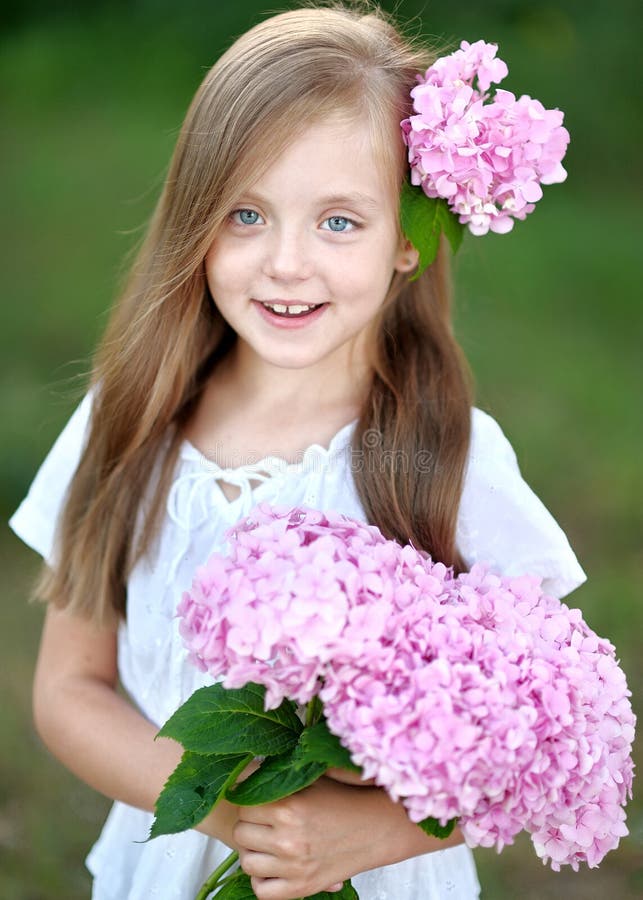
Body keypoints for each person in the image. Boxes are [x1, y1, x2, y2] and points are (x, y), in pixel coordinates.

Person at [9, 3, 587, 899]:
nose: (285, 262)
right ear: (193, 219)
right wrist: (232, 815)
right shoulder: (126, 422)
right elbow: (68, 689)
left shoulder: (445, 454)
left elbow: (537, 730)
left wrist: (367, 834)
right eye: (246, 213)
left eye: (338, 222)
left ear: (407, 241)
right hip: (171, 861)